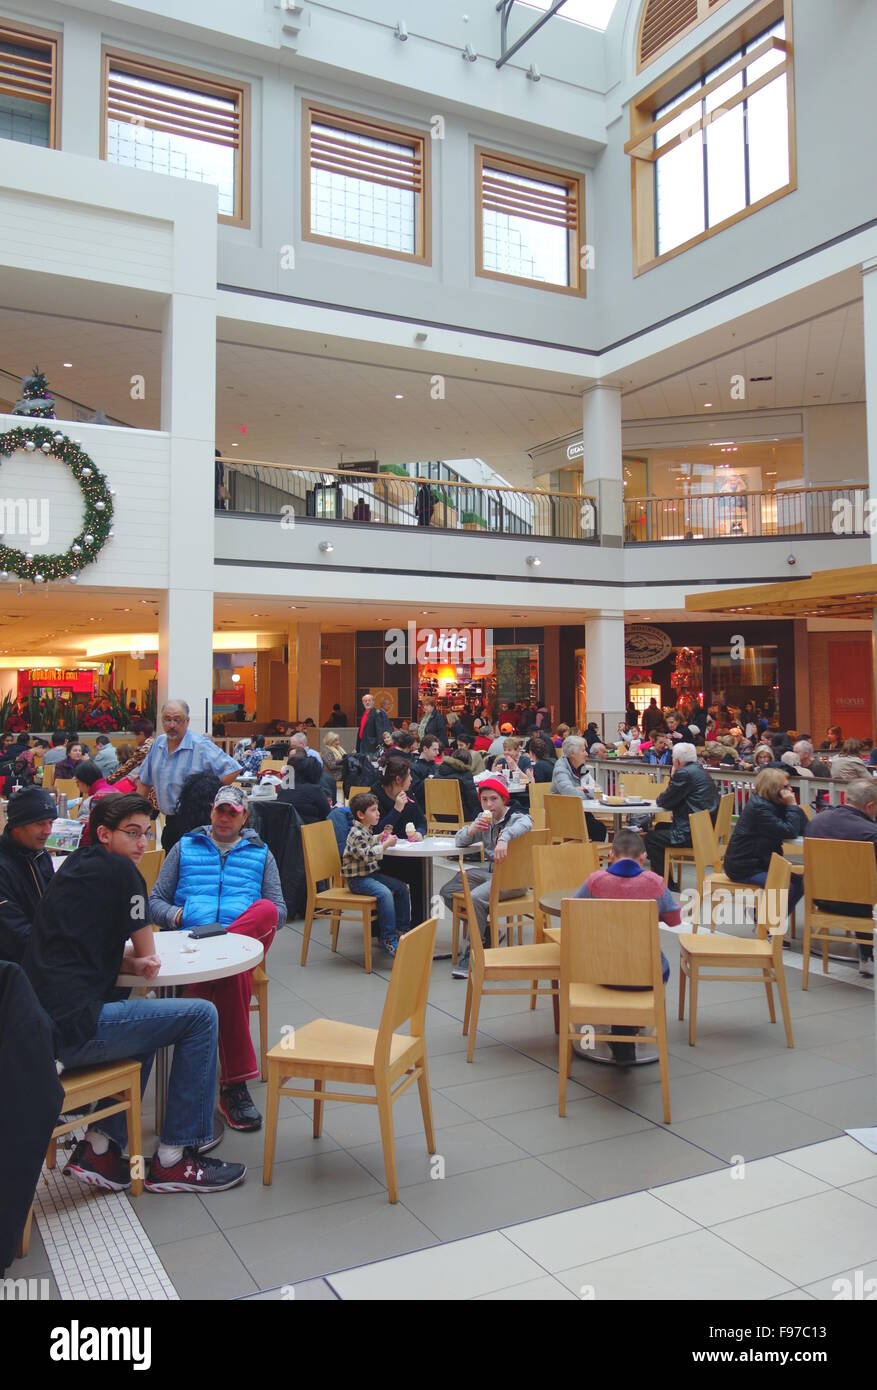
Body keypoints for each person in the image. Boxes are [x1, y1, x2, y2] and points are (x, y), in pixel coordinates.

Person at [23, 794, 246, 1193]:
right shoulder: (124, 873)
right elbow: (150, 955)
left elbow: (78, 947)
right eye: (132, 833)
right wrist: (137, 960)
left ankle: (99, 1147)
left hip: (40, 1027)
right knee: (201, 1016)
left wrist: (126, 965)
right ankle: (175, 1157)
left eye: (147, 833)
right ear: (105, 834)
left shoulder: (74, 865)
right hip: (74, 1030)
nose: (142, 843)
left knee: (145, 1016)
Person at [147, 784, 284, 1129]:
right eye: (220, 810)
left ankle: (195, 996)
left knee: (263, 910)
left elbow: (278, 910)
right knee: (231, 975)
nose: (225, 818)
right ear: (211, 812)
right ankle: (234, 1086)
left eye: (232, 813)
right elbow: (155, 902)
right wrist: (177, 917)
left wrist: (232, 935)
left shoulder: (261, 853)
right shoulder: (185, 847)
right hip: (193, 941)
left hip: (242, 941)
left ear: (244, 817)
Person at [573, 828, 679, 1063]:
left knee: (615, 963)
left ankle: (621, 1031)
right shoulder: (655, 883)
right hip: (647, 975)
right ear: (643, 857)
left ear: (611, 855)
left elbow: (574, 913)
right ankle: (630, 1028)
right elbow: (675, 920)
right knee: (655, 961)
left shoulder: (595, 881)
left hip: (602, 973)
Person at [439, 778, 533, 979]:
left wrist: (504, 838)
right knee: (448, 891)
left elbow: (527, 823)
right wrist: (472, 829)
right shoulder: (484, 820)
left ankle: (473, 951)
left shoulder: (516, 816)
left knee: (474, 898)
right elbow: (459, 840)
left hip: (513, 878)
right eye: (484, 800)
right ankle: (486, 931)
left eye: (494, 799)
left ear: (503, 800)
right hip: (489, 873)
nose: (489, 804)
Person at [135, 699, 240, 850]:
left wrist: (208, 795)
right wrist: (135, 813)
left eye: (177, 720)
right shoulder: (157, 744)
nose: (172, 725)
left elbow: (232, 769)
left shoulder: (201, 745)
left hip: (195, 823)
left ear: (187, 721)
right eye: (167, 720)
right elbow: (144, 782)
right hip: (170, 822)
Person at [804, 779, 877, 974]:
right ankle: (867, 956)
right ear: (869, 806)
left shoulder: (816, 822)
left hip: (820, 899)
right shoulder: (871, 833)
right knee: (862, 887)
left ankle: (867, 956)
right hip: (861, 905)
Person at [722, 768, 806, 920]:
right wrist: (792, 805)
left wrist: (793, 807)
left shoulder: (773, 804)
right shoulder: (760, 808)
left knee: (801, 882)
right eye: (786, 787)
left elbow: (805, 827)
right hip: (745, 866)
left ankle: (767, 920)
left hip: (762, 862)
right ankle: (766, 926)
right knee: (785, 886)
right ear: (774, 791)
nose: (790, 790)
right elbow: (790, 831)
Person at [342, 792, 411, 957]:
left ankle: (403, 930)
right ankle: (388, 937)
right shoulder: (356, 833)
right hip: (358, 880)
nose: (378, 813)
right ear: (360, 814)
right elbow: (368, 854)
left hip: (369, 875)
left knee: (401, 888)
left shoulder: (364, 830)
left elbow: (370, 840)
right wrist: (385, 844)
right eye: (373, 810)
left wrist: (380, 837)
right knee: (385, 893)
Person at [644, 742, 718, 884]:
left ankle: (666, 883)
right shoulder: (700, 771)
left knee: (651, 838)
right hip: (704, 830)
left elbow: (664, 801)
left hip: (691, 833)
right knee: (659, 827)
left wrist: (673, 775)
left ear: (676, 761)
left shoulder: (684, 774)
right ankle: (665, 878)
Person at [0, 787, 56, 963]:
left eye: (51, 822)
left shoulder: (39, 854)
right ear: (17, 825)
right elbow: (15, 933)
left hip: (45, 955)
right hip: (17, 971)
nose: (48, 831)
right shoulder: (4, 867)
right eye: (40, 823)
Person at [550, 735, 607, 842]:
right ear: (572, 754)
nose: (587, 754)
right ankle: (589, 856)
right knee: (599, 829)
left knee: (598, 827)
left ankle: (590, 856)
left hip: (579, 812)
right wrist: (586, 791)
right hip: (564, 816)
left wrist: (583, 789)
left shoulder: (581, 767)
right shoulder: (560, 768)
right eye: (583, 751)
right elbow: (570, 793)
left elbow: (599, 790)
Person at [277, 755, 332, 824]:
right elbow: (327, 813)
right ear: (316, 774)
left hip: (285, 831)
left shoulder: (283, 788)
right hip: (311, 830)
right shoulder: (315, 790)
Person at [435, 744, 480, 821]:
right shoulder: (466, 774)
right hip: (460, 816)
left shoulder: (439, 772)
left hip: (438, 815)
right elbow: (473, 800)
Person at [410, 733, 441, 809]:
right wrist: (428, 780)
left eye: (438, 749)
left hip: (439, 805)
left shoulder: (437, 767)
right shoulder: (414, 767)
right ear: (425, 749)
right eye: (434, 749)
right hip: (423, 807)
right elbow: (416, 791)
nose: (438, 753)